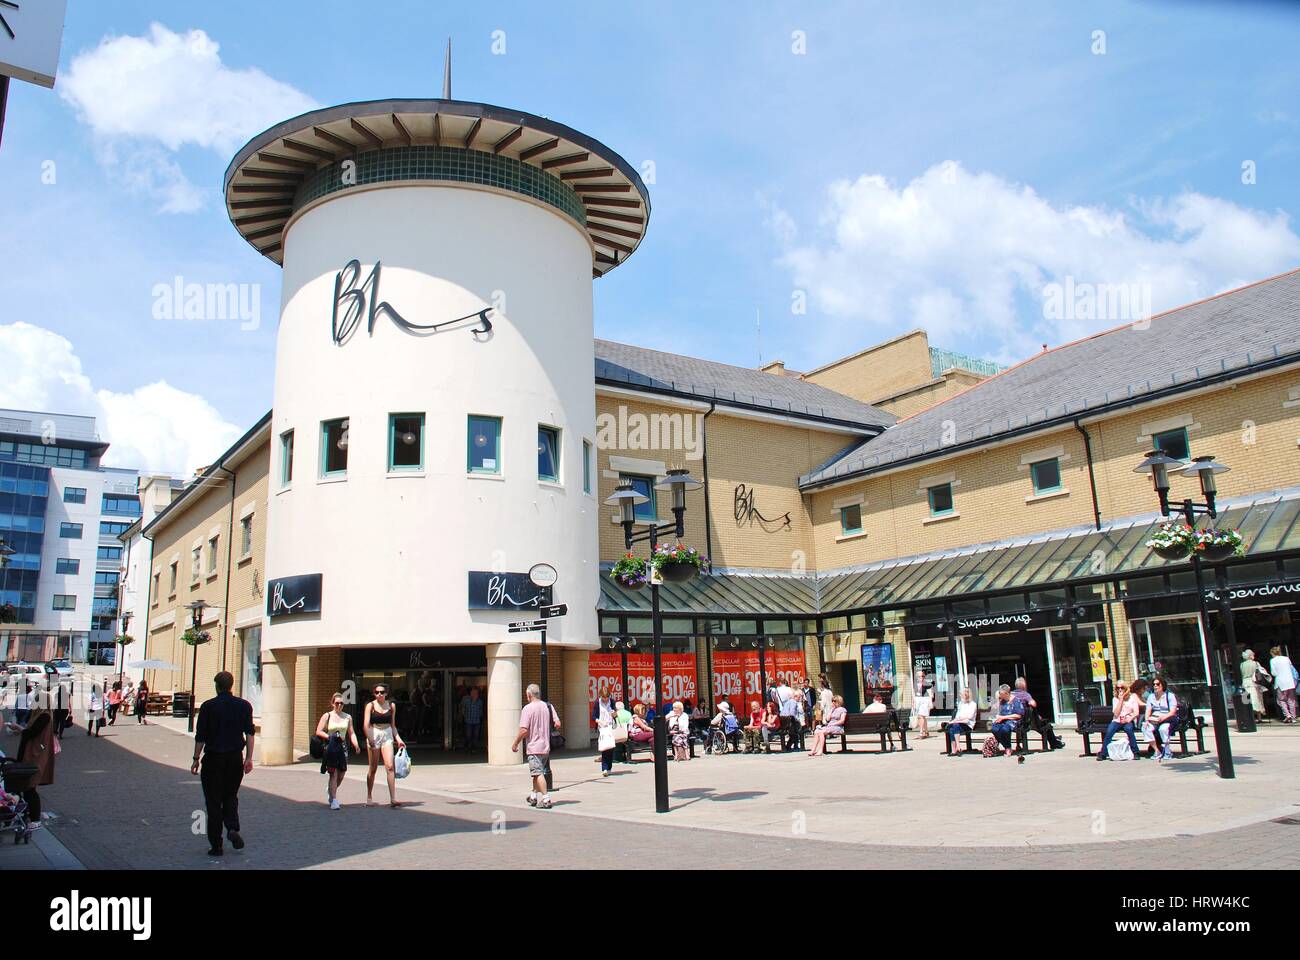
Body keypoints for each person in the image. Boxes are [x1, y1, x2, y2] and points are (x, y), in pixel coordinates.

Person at [191, 671, 255, 856]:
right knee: (230, 796)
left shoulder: (208, 707)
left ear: (217, 686)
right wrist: (249, 758)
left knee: (213, 801)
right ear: (231, 685)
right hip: (235, 758)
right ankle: (232, 828)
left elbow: (201, 736)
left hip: (213, 759)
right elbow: (250, 733)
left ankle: (216, 844)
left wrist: (196, 759)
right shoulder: (244, 706)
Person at [512, 683, 561, 809]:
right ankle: (533, 796)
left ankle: (546, 799)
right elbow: (558, 723)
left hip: (534, 747)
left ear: (528, 695)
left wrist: (515, 743)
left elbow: (524, 730)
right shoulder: (547, 706)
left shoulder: (527, 709)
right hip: (545, 746)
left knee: (537, 773)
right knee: (537, 773)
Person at [363, 683, 406, 808]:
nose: (379, 694)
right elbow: (366, 725)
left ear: (386, 693)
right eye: (376, 692)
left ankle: (393, 798)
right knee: (373, 768)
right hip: (374, 733)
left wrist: (398, 739)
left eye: (382, 692)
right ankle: (369, 796)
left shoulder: (391, 706)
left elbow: (393, 725)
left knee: (390, 766)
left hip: (387, 734)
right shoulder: (370, 706)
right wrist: (370, 738)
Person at [315, 692, 360, 809]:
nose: (339, 705)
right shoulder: (327, 716)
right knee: (333, 773)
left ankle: (330, 789)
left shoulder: (347, 717)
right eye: (337, 703)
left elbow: (351, 732)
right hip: (331, 746)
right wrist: (330, 737)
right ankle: (334, 800)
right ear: (332, 703)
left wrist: (356, 745)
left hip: (343, 747)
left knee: (341, 774)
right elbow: (318, 731)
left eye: (341, 703)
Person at [12, 709, 55, 829]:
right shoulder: (38, 715)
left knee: (29, 787)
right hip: (29, 755)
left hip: (33, 757)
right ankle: (26, 814)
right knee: (25, 788)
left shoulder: (44, 717)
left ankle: (35, 819)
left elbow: (31, 733)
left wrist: (18, 728)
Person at [1010, 677, 1066, 750]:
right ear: (1024, 685)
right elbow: (1033, 704)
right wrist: (1030, 702)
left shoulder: (1011, 694)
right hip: (1026, 721)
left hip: (1014, 721)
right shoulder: (1025, 694)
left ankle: (1055, 739)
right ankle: (1055, 743)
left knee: (1038, 724)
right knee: (1046, 726)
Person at [1096, 679, 1142, 760]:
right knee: (1110, 730)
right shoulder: (1115, 699)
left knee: (1129, 729)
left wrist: (1129, 719)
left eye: (1122, 687)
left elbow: (1136, 712)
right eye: (1118, 688)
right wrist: (1121, 699)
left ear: (1126, 688)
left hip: (1128, 720)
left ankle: (1136, 752)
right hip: (1117, 720)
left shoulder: (1132, 698)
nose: (1120, 689)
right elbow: (1116, 713)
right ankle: (1103, 753)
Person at [1142, 675, 1178, 762]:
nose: (1155, 686)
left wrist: (1163, 717)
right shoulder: (1151, 696)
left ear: (1162, 685)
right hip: (1155, 718)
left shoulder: (1170, 696)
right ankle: (1156, 750)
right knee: (1145, 728)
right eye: (1154, 684)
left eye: (1157, 684)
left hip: (1168, 718)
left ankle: (1167, 751)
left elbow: (1173, 711)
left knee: (1163, 729)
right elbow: (1148, 710)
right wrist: (1147, 720)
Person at [990, 685, 1022, 757]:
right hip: (1003, 720)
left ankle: (1008, 748)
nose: (1000, 695)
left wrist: (1004, 717)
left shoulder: (1016, 701)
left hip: (1013, 721)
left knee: (1005, 729)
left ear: (1007, 693)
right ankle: (1007, 746)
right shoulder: (1003, 701)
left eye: (1001, 694)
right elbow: (997, 709)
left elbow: (1018, 715)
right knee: (994, 728)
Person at [945, 688, 978, 756]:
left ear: (966, 695)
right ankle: (955, 750)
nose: (960, 696)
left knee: (955, 725)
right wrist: (954, 720)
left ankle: (957, 747)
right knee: (952, 727)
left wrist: (958, 720)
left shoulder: (973, 704)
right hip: (959, 723)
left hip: (968, 725)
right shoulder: (961, 703)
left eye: (961, 694)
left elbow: (970, 716)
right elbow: (958, 716)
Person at [592, 689, 618, 776]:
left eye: (607, 697)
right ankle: (605, 768)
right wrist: (599, 721)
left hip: (611, 726)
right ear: (600, 696)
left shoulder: (612, 701)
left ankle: (609, 767)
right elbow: (594, 716)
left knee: (610, 748)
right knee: (604, 748)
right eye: (604, 697)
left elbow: (616, 715)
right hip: (602, 727)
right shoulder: (597, 703)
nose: (606, 699)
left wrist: (614, 713)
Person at [1269, 645, 1297, 723]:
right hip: (1290, 682)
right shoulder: (1286, 658)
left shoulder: (1273, 660)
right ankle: (1294, 717)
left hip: (1280, 683)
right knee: (1291, 700)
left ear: (1272, 653)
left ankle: (1287, 715)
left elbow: (1274, 673)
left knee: (1281, 700)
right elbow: (1291, 668)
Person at [1240, 650, 1269, 722]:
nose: (1254, 655)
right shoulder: (1256, 663)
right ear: (1250, 655)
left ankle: (1249, 718)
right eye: (1253, 654)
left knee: (1247, 700)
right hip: (1254, 682)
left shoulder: (1242, 664)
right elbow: (1260, 673)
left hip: (1245, 682)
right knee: (1257, 699)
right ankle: (1259, 718)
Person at [775, 678, 801, 750]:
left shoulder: (787, 702)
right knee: (796, 729)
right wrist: (797, 720)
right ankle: (794, 745)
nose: (800, 698)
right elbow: (792, 713)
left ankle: (790, 745)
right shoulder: (793, 702)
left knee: (793, 730)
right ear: (795, 696)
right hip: (789, 722)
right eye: (799, 697)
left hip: (783, 720)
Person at [463, 686, 484, 751]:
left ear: (478, 694)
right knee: (468, 735)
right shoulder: (467, 701)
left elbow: (481, 710)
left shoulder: (480, 702)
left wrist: (481, 717)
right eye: (473, 693)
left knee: (475, 735)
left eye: (476, 693)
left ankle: (473, 748)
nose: (474, 694)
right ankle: (466, 745)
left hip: (477, 721)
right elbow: (463, 709)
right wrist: (464, 715)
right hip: (468, 721)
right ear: (471, 693)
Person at [913, 670, 933, 739]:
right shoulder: (915, 684)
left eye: (922, 676)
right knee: (922, 717)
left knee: (921, 716)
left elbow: (930, 694)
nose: (920, 677)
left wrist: (930, 703)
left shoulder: (927, 683)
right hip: (917, 700)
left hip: (924, 700)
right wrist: (913, 702)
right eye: (918, 676)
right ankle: (926, 731)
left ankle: (921, 732)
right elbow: (913, 693)